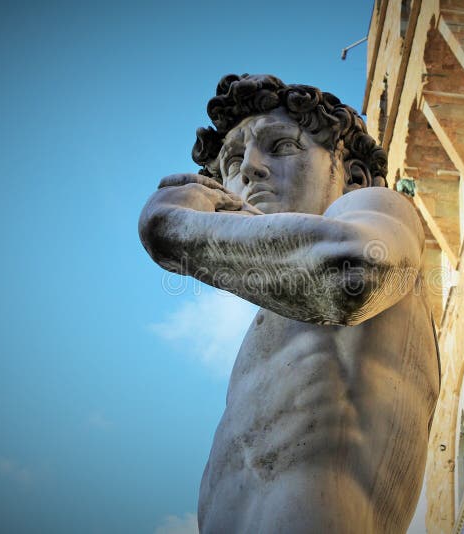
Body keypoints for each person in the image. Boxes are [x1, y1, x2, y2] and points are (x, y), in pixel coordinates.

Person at [139, 74, 439, 533]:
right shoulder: (271, 324)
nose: (251, 169)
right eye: (233, 160)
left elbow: (352, 271)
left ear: (353, 176)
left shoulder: (376, 207)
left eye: (280, 146)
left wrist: (173, 227)